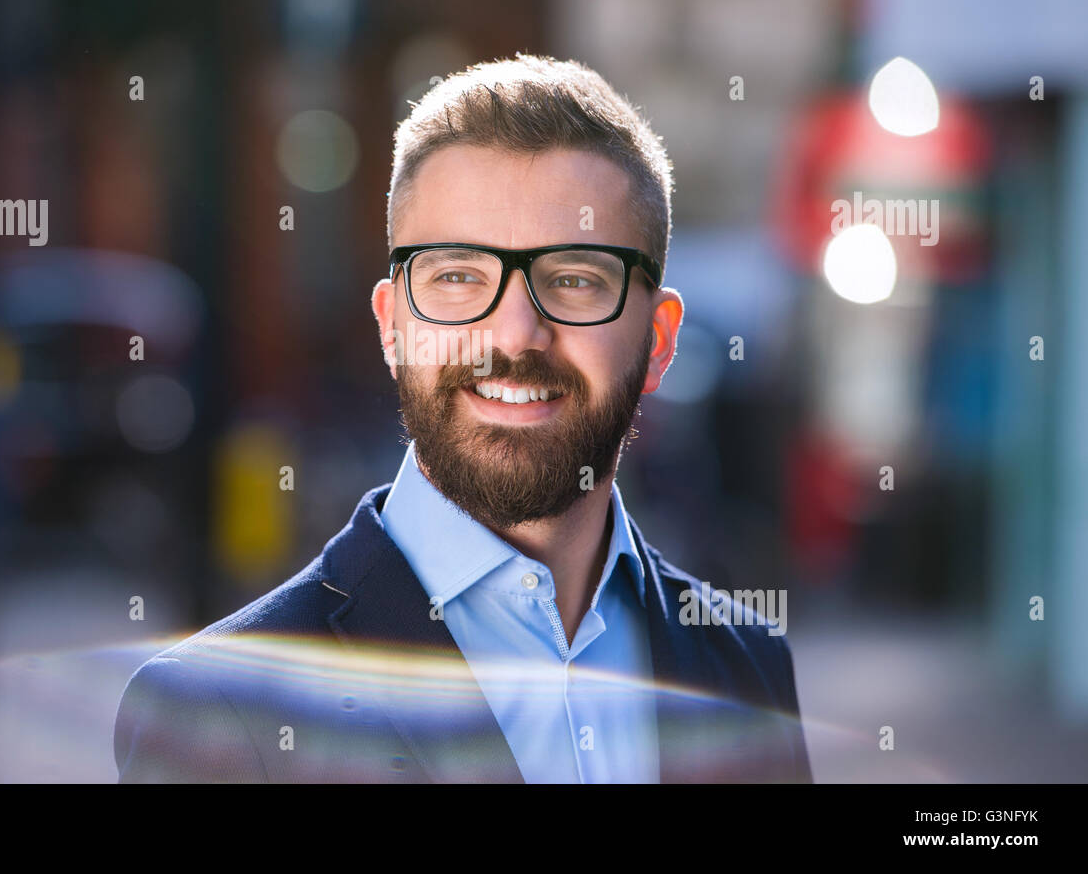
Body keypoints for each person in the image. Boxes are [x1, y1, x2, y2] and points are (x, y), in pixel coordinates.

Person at [114, 53, 813, 783]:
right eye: (457, 276)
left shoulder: (751, 667)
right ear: (392, 326)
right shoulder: (213, 714)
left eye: (575, 278)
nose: (514, 334)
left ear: (659, 341)